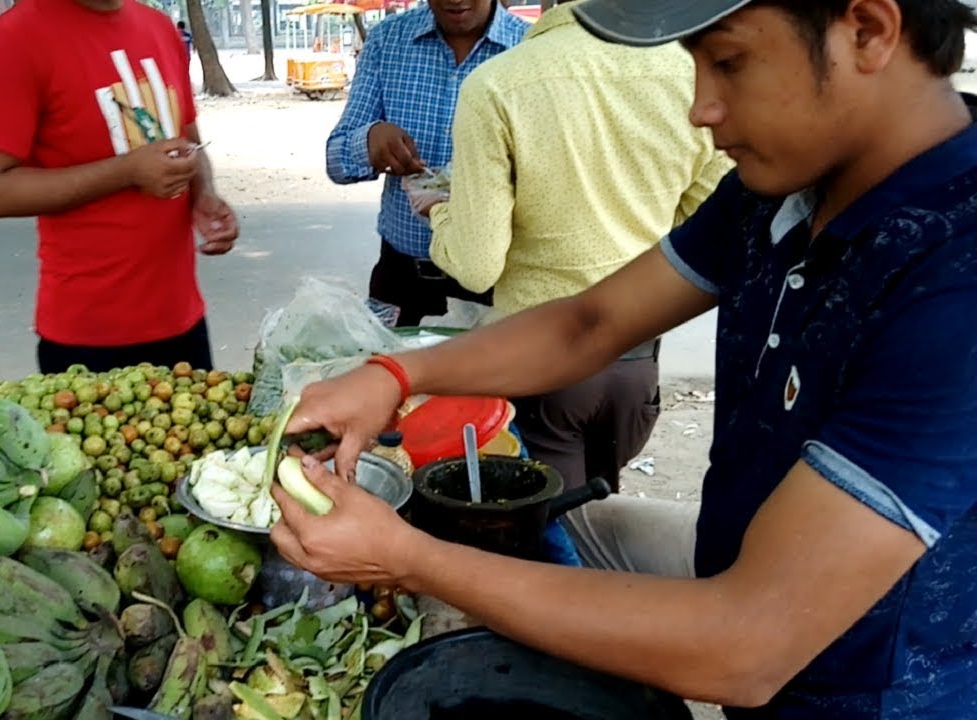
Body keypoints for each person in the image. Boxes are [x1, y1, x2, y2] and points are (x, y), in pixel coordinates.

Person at [272, 0, 977, 717]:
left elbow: (748, 643)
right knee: (546, 532)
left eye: (729, 62)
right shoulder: (780, 190)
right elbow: (590, 322)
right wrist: (393, 374)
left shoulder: (952, 282)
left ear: (868, 31)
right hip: (731, 571)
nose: (701, 108)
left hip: (856, 692)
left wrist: (407, 558)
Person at [415, 0, 733, 494]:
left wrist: (439, 212)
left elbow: (477, 265)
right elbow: (710, 219)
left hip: (542, 365)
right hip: (635, 362)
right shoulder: (690, 73)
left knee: (560, 535)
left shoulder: (499, 85)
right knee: (599, 515)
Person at [0, 0, 240, 374]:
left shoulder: (159, 28)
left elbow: (186, 135)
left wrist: (202, 193)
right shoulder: (18, 37)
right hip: (86, 341)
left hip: (183, 324)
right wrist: (127, 172)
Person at [324, 0, 529, 327]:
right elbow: (336, 158)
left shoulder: (528, 51)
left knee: (486, 379)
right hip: (402, 280)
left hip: (499, 286)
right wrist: (370, 141)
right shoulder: (387, 41)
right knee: (387, 375)